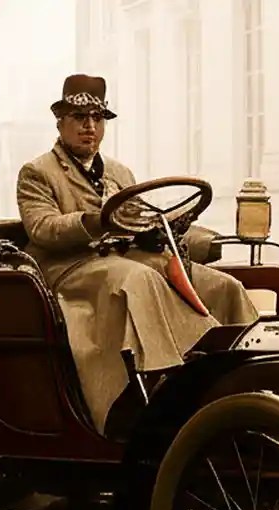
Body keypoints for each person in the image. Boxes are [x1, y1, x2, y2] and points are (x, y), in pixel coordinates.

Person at [15, 74, 260, 437]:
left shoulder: (118, 172)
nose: (89, 127)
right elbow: (43, 229)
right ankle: (167, 387)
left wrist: (183, 231)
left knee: (224, 285)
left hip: (127, 259)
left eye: (97, 119)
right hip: (71, 270)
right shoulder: (38, 172)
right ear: (60, 122)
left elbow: (140, 216)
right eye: (80, 118)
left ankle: (246, 378)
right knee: (137, 279)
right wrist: (98, 221)